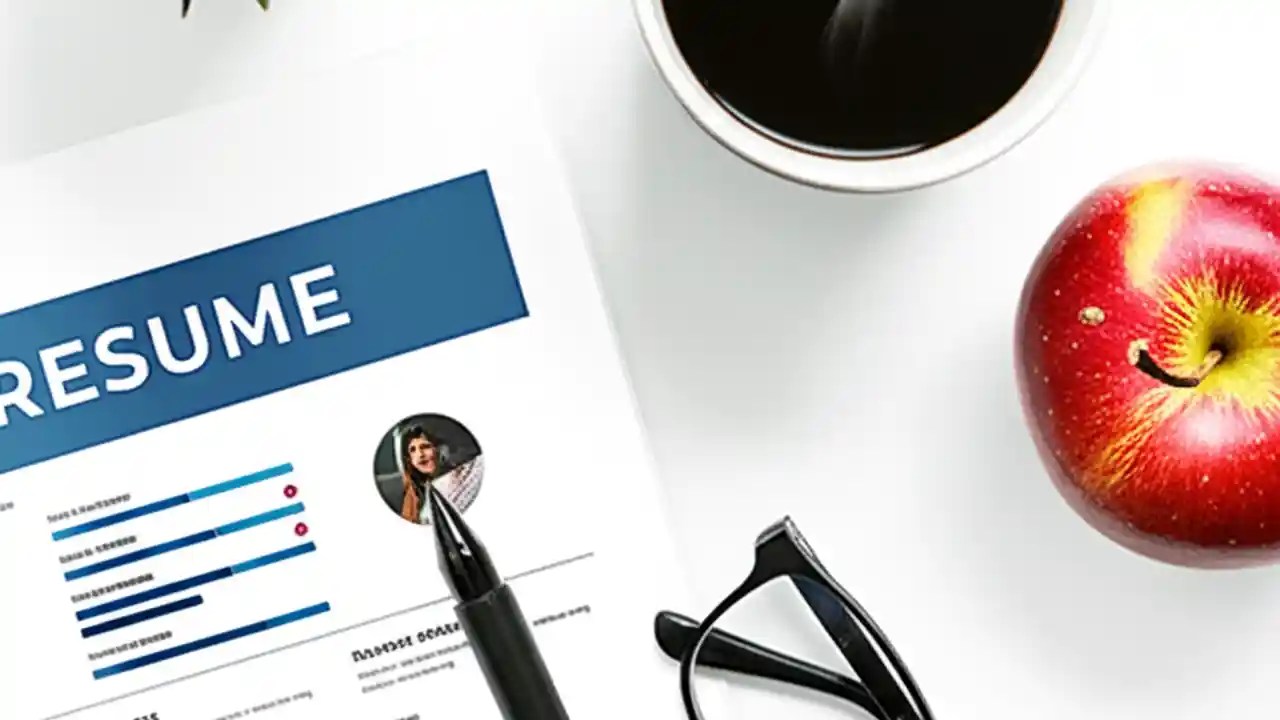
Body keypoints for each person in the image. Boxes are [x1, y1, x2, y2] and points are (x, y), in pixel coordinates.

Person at [387, 424, 483, 524]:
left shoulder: (468, 471)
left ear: (440, 449)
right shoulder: (415, 497)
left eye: (425, 447)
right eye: (412, 450)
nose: (420, 455)